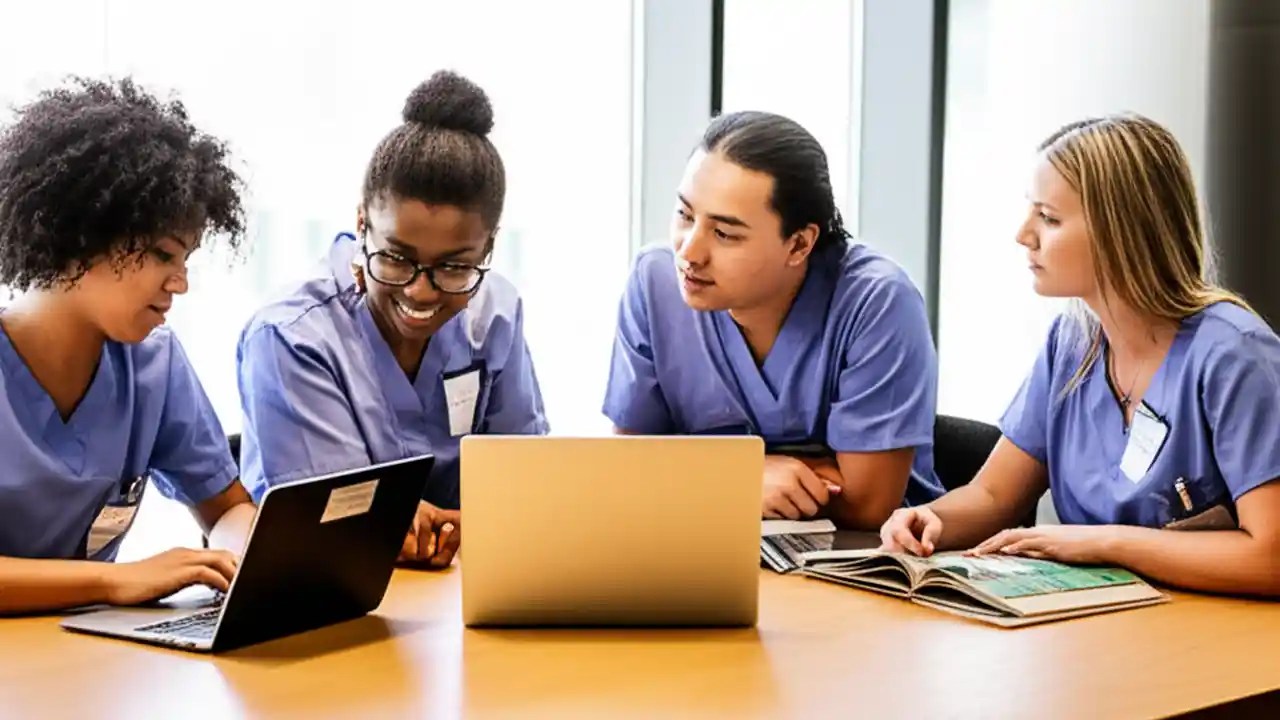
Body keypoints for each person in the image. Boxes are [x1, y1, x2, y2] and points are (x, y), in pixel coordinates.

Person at [879, 114, 1280, 597]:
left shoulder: (1235, 355)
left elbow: (1271, 557)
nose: (1023, 234)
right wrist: (927, 518)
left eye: (1048, 218)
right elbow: (993, 495)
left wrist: (1107, 543)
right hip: (1101, 630)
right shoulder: (1071, 343)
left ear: (1123, 230)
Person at [237, 70, 547, 569]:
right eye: (397, 258)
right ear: (362, 222)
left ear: (488, 246)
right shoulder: (293, 337)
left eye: (453, 266)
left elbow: (526, 481)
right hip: (331, 596)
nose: (420, 291)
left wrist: (488, 521)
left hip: (459, 594)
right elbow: (338, 521)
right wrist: (404, 521)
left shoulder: (495, 315)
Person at [603, 111, 943, 529]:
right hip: (703, 541)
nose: (689, 253)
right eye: (685, 216)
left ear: (799, 243)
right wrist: (743, 480)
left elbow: (868, 505)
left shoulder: (878, 302)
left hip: (860, 561)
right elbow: (628, 469)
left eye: (725, 234)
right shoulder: (654, 284)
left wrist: (688, 473)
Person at [0, 77, 256, 614]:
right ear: (79, 235)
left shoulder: (153, 367)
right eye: (164, 255)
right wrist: (111, 582)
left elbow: (228, 510)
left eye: (186, 259)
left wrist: (243, 560)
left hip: (88, 666)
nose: (180, 282)